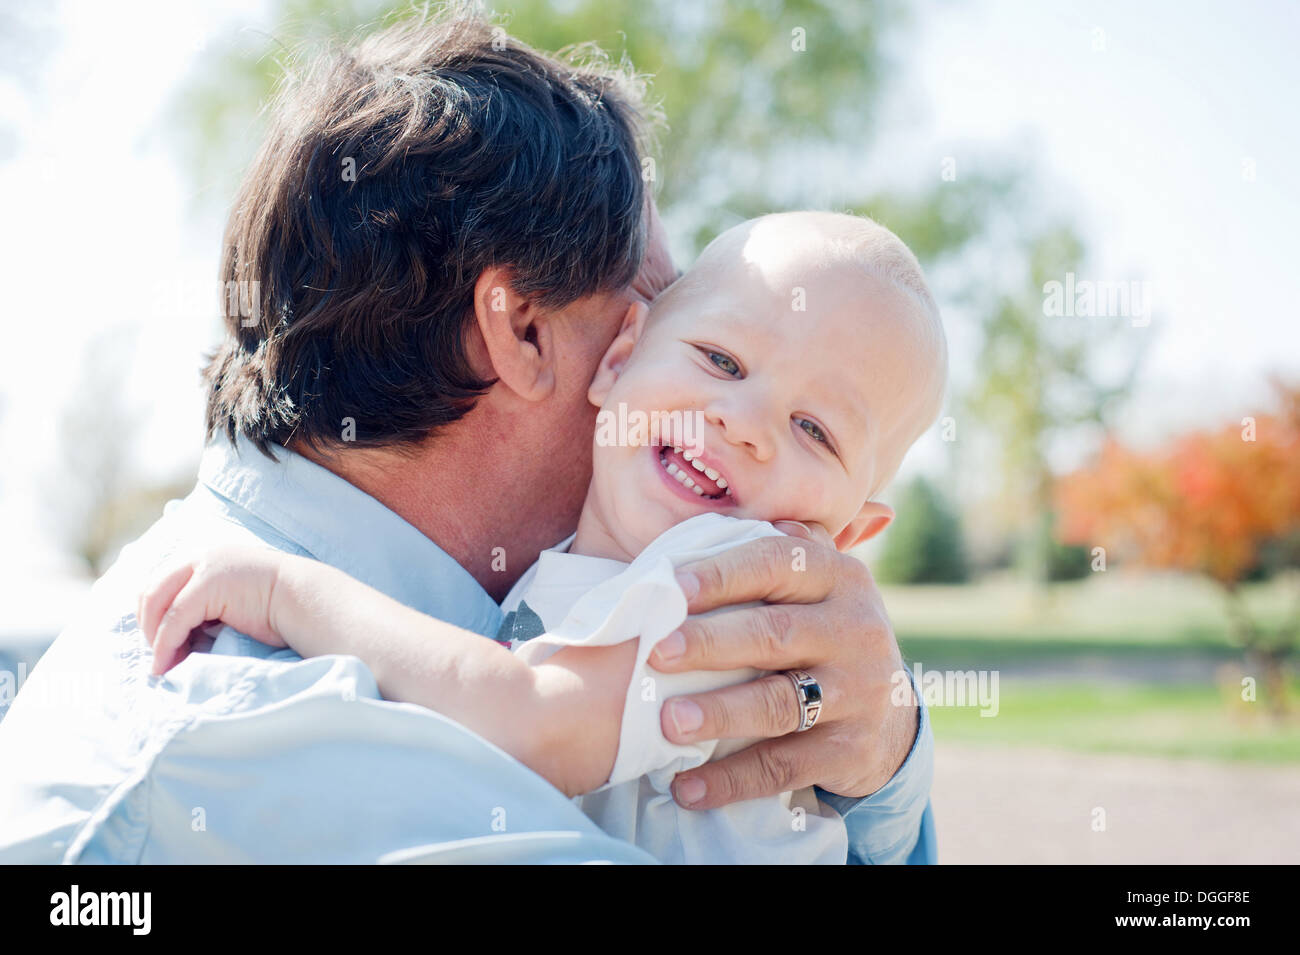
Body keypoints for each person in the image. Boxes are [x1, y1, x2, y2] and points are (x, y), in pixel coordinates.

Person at [0, 8, 934, 864]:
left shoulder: (565, 605)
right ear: (521, 330)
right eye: (665, 323)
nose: (733, 418)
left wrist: (881, 756)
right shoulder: (268, 731)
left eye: (813, 425)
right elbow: (528, 715)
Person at [142, 211, 947, 865]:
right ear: (620, 359)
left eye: (814, 429)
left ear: (847, 531)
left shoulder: (725, 587)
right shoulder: (574, 567)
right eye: (721, 359)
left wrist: (287, 593)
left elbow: (529, 722)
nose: (745, 424)